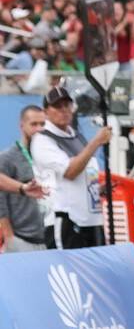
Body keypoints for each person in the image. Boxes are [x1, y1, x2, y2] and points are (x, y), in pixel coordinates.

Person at [30, 86, 111, 249]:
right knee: (70, 274)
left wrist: (97, 189)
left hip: (92, 220)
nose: (64, 110)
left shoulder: (77, 136)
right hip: (66, 221)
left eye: (67, 105)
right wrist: (96, 142)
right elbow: (70, 172)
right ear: (46, 112)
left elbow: (85, 173)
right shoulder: (42, 140)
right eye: (58, 106)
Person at [0, 105, 49, 253]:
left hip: (50, 237)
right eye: (34, 124)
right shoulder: (7, 158)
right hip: (22, 239)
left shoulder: (50, 155)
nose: (39, 129)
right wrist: (9, 237)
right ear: (22, 126)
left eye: (43, 124)